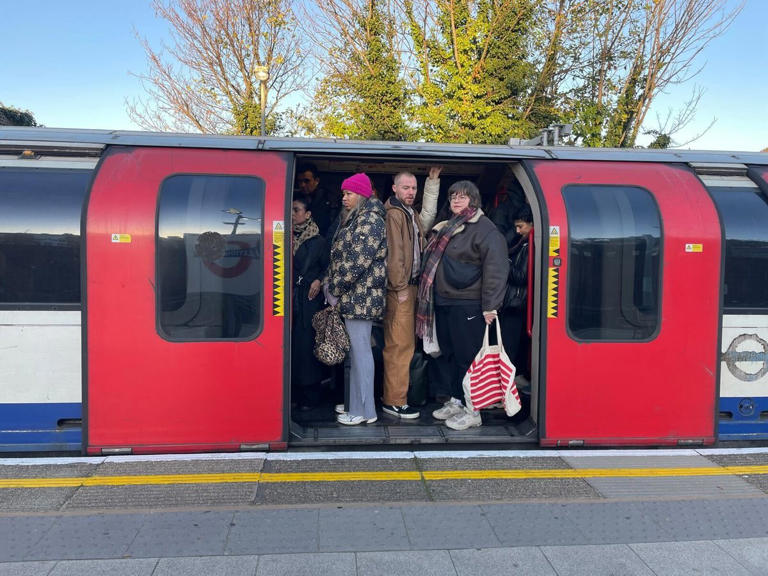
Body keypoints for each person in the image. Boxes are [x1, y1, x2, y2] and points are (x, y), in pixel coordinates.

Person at [416, 181, 508, 430]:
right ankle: (457, 400)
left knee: (468, 358)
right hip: (444, 300)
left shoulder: (485, 229)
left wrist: (490, 306)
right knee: (450, 355)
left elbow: (496, 269)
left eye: (462, 197)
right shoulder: (448, 226)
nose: (456, 201)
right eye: (453, 197)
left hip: (469, 303)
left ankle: (473, 410)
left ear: (473, 200)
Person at [325, 173, 387, 425]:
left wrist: (334, 288)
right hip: (357, 296)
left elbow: (357, 261)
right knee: (357, 353)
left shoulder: (370, 219)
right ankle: (356, 406)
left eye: (349, 193)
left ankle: (365, 411)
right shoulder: (359, 217)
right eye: (343, 193)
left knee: (361, 353)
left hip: (361, 297)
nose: (344, 198)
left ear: (361, 194)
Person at [381, 168, 441, 419]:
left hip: (412, 287)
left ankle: (398, 397)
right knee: (399, 346)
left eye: (414, 188)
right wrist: (400, 287)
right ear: (394, 188)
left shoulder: (409, 212)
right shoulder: (394, 214)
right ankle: (394, 401)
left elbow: (426, 220)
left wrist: (432, 183)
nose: (410, 192)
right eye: (405, 187)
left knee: (405, 344)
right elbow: (394, 254)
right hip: (402, 289)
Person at [290, 195, 328, 411]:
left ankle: (310, 397)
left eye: (296, 210)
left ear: (308, 214)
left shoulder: (318, 241)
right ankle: (292, 394)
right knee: (290, 347)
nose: (292, 214)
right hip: (288, 299)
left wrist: (319, 280)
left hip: (309, 301)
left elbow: (328, 267)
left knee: (306, 348)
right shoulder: (282, 236)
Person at [501, 204, 533, 384]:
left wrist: (504, 262)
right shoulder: (525, 244)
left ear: (532, 224)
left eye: (521, 226)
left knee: (510, 346)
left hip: (517, 302)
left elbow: (521, 276)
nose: (518, 231)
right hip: (518, 302)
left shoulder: (529, 246)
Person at [296, 163, 338, 237]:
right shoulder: (294, 198)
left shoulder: (329, 198)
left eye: (307, 181)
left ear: (316, 181)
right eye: (300, 181)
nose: (302, 185)